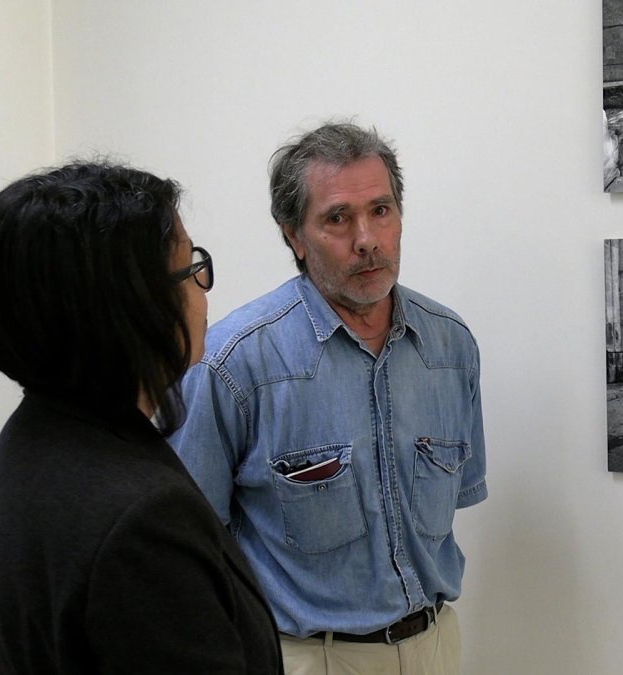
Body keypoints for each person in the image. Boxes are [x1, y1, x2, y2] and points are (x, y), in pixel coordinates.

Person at [170, 122, 487, 675]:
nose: (366, 239)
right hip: (308, 657)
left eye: (381, 210)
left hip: (436, 646)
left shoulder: (451, 346)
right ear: (294, 235)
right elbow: (188, 548)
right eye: (338, 218)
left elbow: (457, 496)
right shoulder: (233, 363)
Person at [0, 162, 282, 674]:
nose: (203, 289)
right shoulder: (141, 520)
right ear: (130, 304)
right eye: (189, 267)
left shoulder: (29, 444)